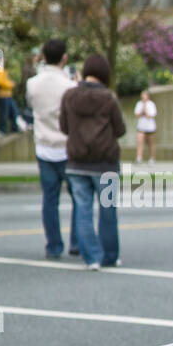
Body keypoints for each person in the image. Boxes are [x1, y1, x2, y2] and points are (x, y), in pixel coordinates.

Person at [58, 53, 124, 270]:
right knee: (108, 211)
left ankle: (91, 257)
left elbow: (64, 127)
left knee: (83, 210)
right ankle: (110, 255)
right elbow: (120, 129)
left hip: (77, 162)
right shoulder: (108, 97)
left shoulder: (69, 96)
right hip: (105, 163)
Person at [27, 38, 79, 258]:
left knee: (50, 199)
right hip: (67, 147)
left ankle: (54, 246)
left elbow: (31, 106)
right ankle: (76, 242)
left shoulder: (33, 83)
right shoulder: (70, 86)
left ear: (43, 57)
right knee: (79, 198)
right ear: (64, 58)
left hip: (44, 146)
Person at [0, 56, 19, 134]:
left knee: (14, 111)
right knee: (4, 113)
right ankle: (2, 130)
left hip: (8, 94)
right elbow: (0, 82)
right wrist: (10, 84)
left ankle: (14, 129)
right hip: (3, 94)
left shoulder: (3, 69)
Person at [134, 90, 157, 163]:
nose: (143, 97)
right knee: (139, 142)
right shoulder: (139, 104)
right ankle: (139, 157)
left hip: (150, 127)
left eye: (145, 95)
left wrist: (145, 109)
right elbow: (136, 114)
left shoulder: (151, 104)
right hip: (141, 126)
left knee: (151, 143)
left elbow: (151, 115)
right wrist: (142, 108)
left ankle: (152, 158)